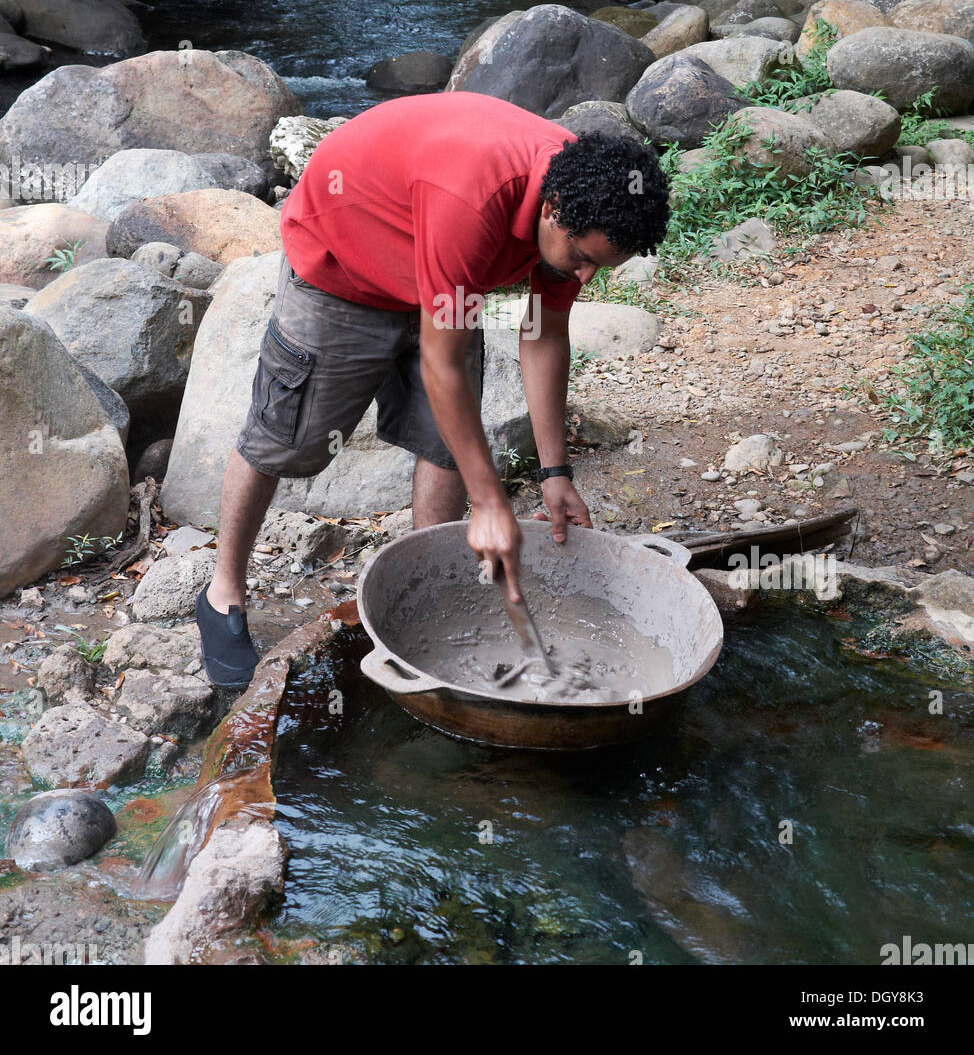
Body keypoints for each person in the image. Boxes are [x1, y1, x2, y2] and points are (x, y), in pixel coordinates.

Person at [195, 91, 670, 688]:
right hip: (345, 261)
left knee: (446, 441)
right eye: (580, 259)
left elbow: (544, 332)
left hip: (446, 271)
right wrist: (491, 504)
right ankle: (222, 594)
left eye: (600, 265)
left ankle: (426, 607)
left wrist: (555, 474)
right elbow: (440, 366)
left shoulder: (586, 200)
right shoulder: (475, 198)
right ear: (551, 211)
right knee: (282, 439)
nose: (585, 276)